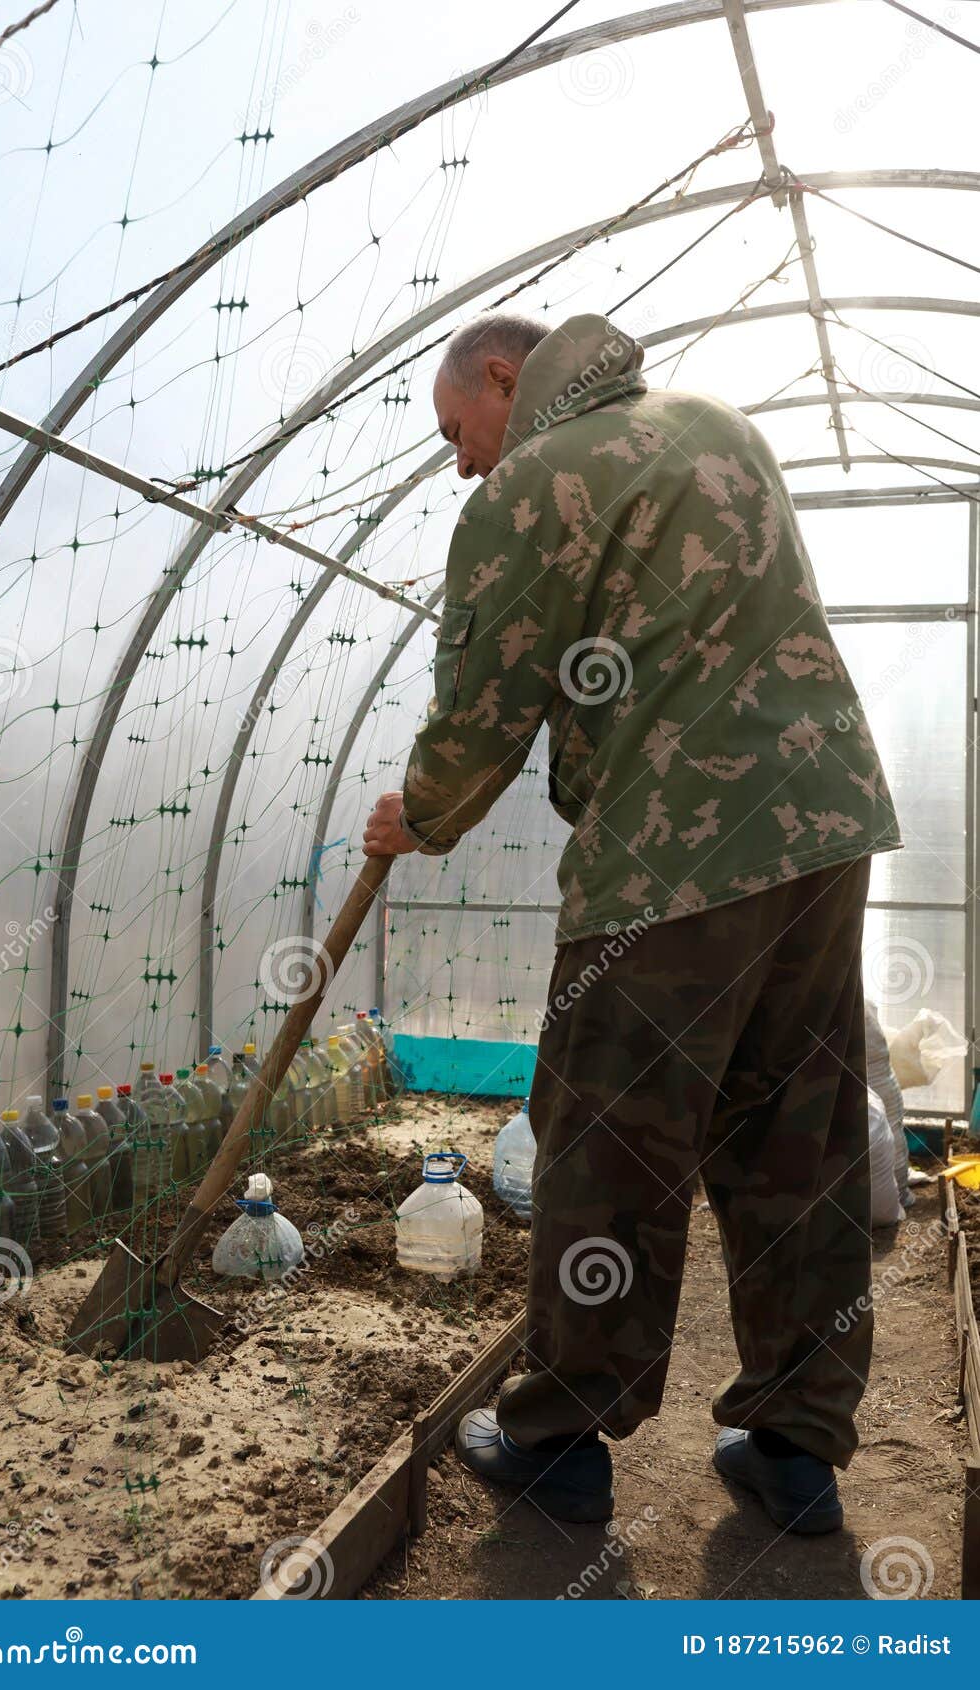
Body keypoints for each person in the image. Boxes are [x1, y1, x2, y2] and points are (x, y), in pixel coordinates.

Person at [363, 311, 900, 1532]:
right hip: (821, 827)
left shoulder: (530, 486)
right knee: (796, 1136)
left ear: (505, 378)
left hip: (673, 847)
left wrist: (422, 816)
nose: (461, 462)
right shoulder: (717, 426)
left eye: (458, 430)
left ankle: (557, 1439)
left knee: (608, 1140)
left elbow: (485, 697)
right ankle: (793, 1445)